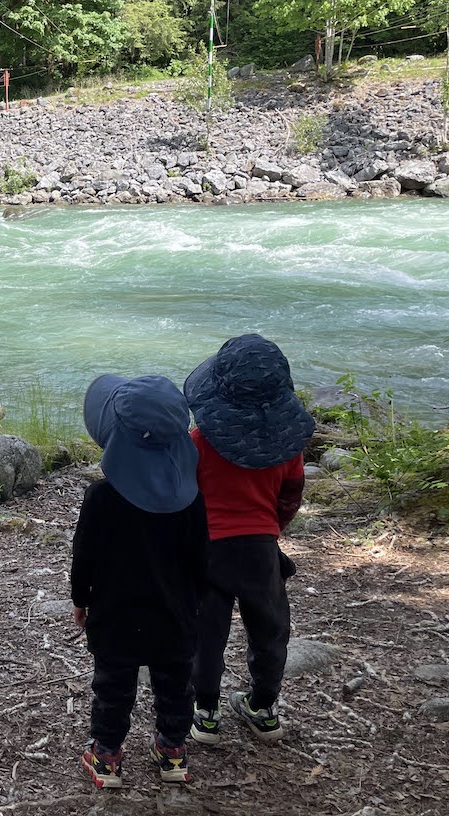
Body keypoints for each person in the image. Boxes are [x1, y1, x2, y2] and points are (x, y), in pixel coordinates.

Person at [71, 374, 207, 788]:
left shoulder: (101, 498)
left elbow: (84, 558)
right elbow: (201, 560)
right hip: (175, 613)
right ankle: (172, 752)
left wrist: (81, 600)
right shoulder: (191, 499)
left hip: (115, 615)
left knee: (113, 687)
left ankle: (107, 757)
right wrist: (195, 604)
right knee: (176, 686)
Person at [182, 334, 315, 745]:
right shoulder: (287, 451)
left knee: (207, 634)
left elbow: (184, 498)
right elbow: (290, 498)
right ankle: (264, 707)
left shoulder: (197, 444)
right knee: (270, 628)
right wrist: (270, 528)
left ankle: (205, 712)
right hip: (261, 549)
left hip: (209, 550)